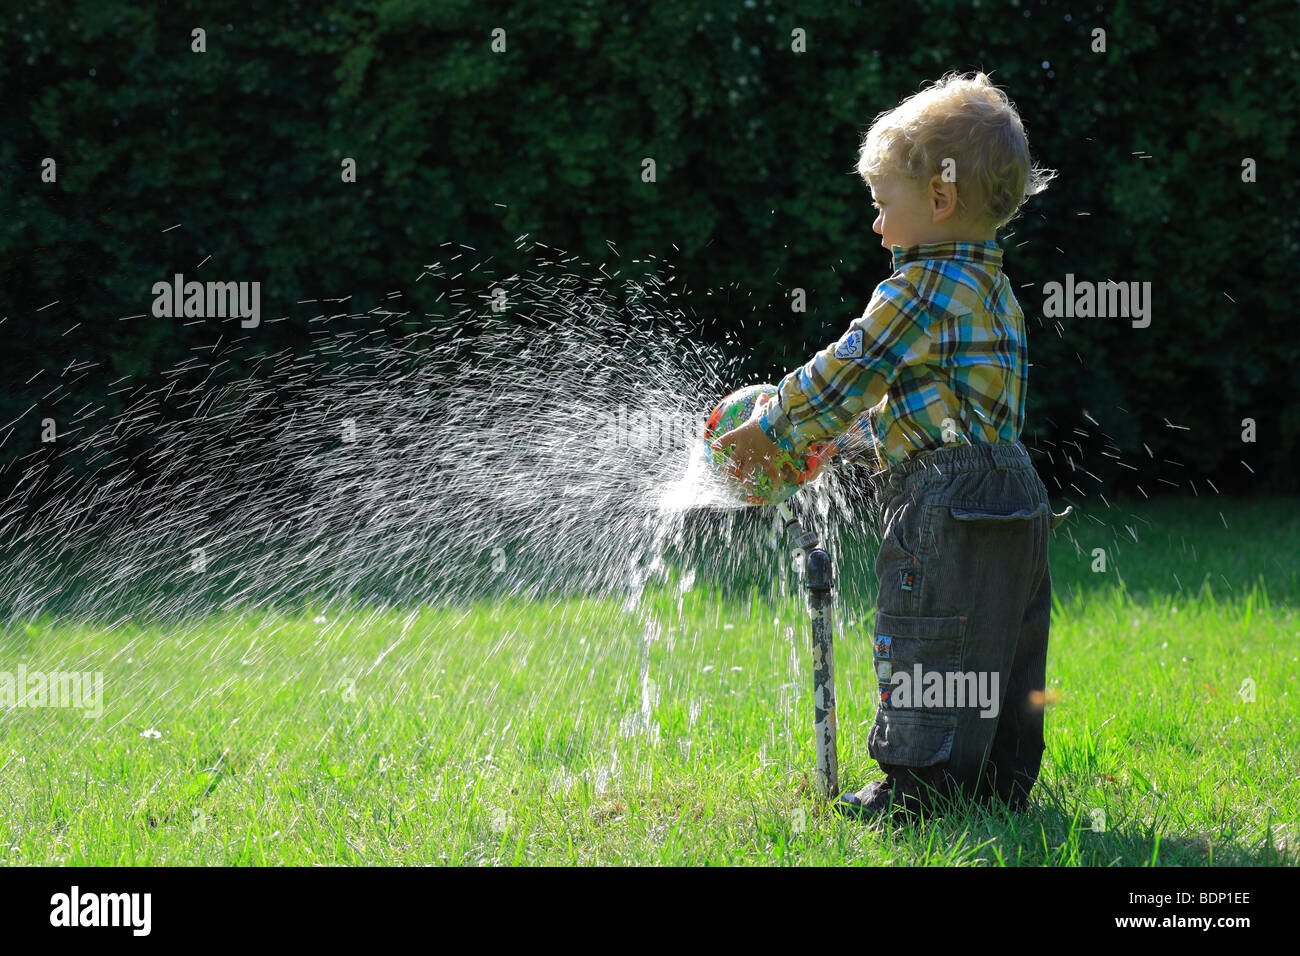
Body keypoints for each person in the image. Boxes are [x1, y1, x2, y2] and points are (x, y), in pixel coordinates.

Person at [712, 71, 1069, 823]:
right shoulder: (989, 286)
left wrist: (774, 425)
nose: (877, 227)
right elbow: (915, 394)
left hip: (942, 497)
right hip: (1016, 490)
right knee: (1002, 645)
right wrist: (842, 435)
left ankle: (918, 790)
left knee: (926, 637)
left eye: (882, 207)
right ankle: (1002, 783)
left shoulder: (915, 287)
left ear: (937, 201)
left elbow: (852, 366)